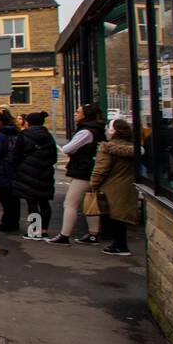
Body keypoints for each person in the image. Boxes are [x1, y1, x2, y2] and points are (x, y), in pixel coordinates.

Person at [47, 103, 105, 245]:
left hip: (82, 170)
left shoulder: (85, 132)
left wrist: (63, 148)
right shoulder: (98, 129)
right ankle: (93, 234)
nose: (75, 114)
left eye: (78, 112)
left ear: (86, 115)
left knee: (70, 203)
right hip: (93, 169)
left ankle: (64, 235)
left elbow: (68, 148)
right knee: (90, 201)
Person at [89, 118, 139, 256]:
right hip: (128, 185)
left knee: (114, 216)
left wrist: (93, 184)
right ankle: (119, 244)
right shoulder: (133, 148)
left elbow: (101, 169)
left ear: (113, 131)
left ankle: (120, 246)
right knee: (121, 217)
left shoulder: (107, 149)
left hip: (112, 186)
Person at [11, 110, 59, 239]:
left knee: (32, 202)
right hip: (45, 173)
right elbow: (54, 157)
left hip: (27, 172)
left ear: (28, 122)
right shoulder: (48, 136)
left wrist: (17, 168)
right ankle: (43, 230)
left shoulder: (24, 135)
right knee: (44, 202)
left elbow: (16, 155)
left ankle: (34, 230)